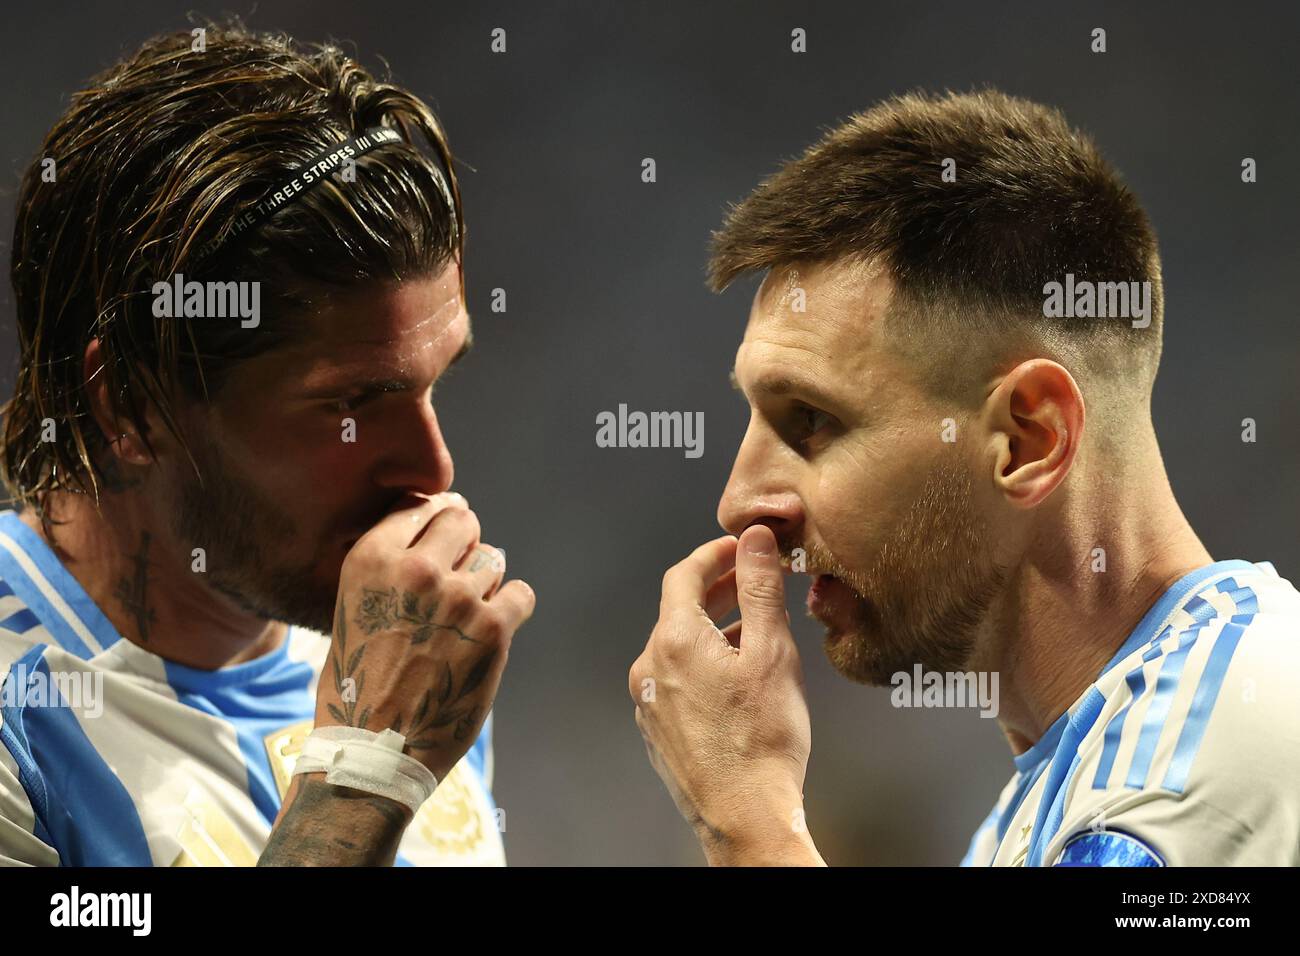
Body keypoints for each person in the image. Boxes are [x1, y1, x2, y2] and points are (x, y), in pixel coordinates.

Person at [629, 89, 1300, 866]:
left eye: (811, 418)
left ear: (1029, 438)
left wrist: (748, 823)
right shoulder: (1049, 802)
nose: (740, 503)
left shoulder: (1189, 777)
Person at [0, 24, 534, 867]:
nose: (435, 469)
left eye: (436, 383)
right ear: (132, 406)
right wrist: (361, 781)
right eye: (351, 403)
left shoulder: (403, 642)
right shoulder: (17, 722)